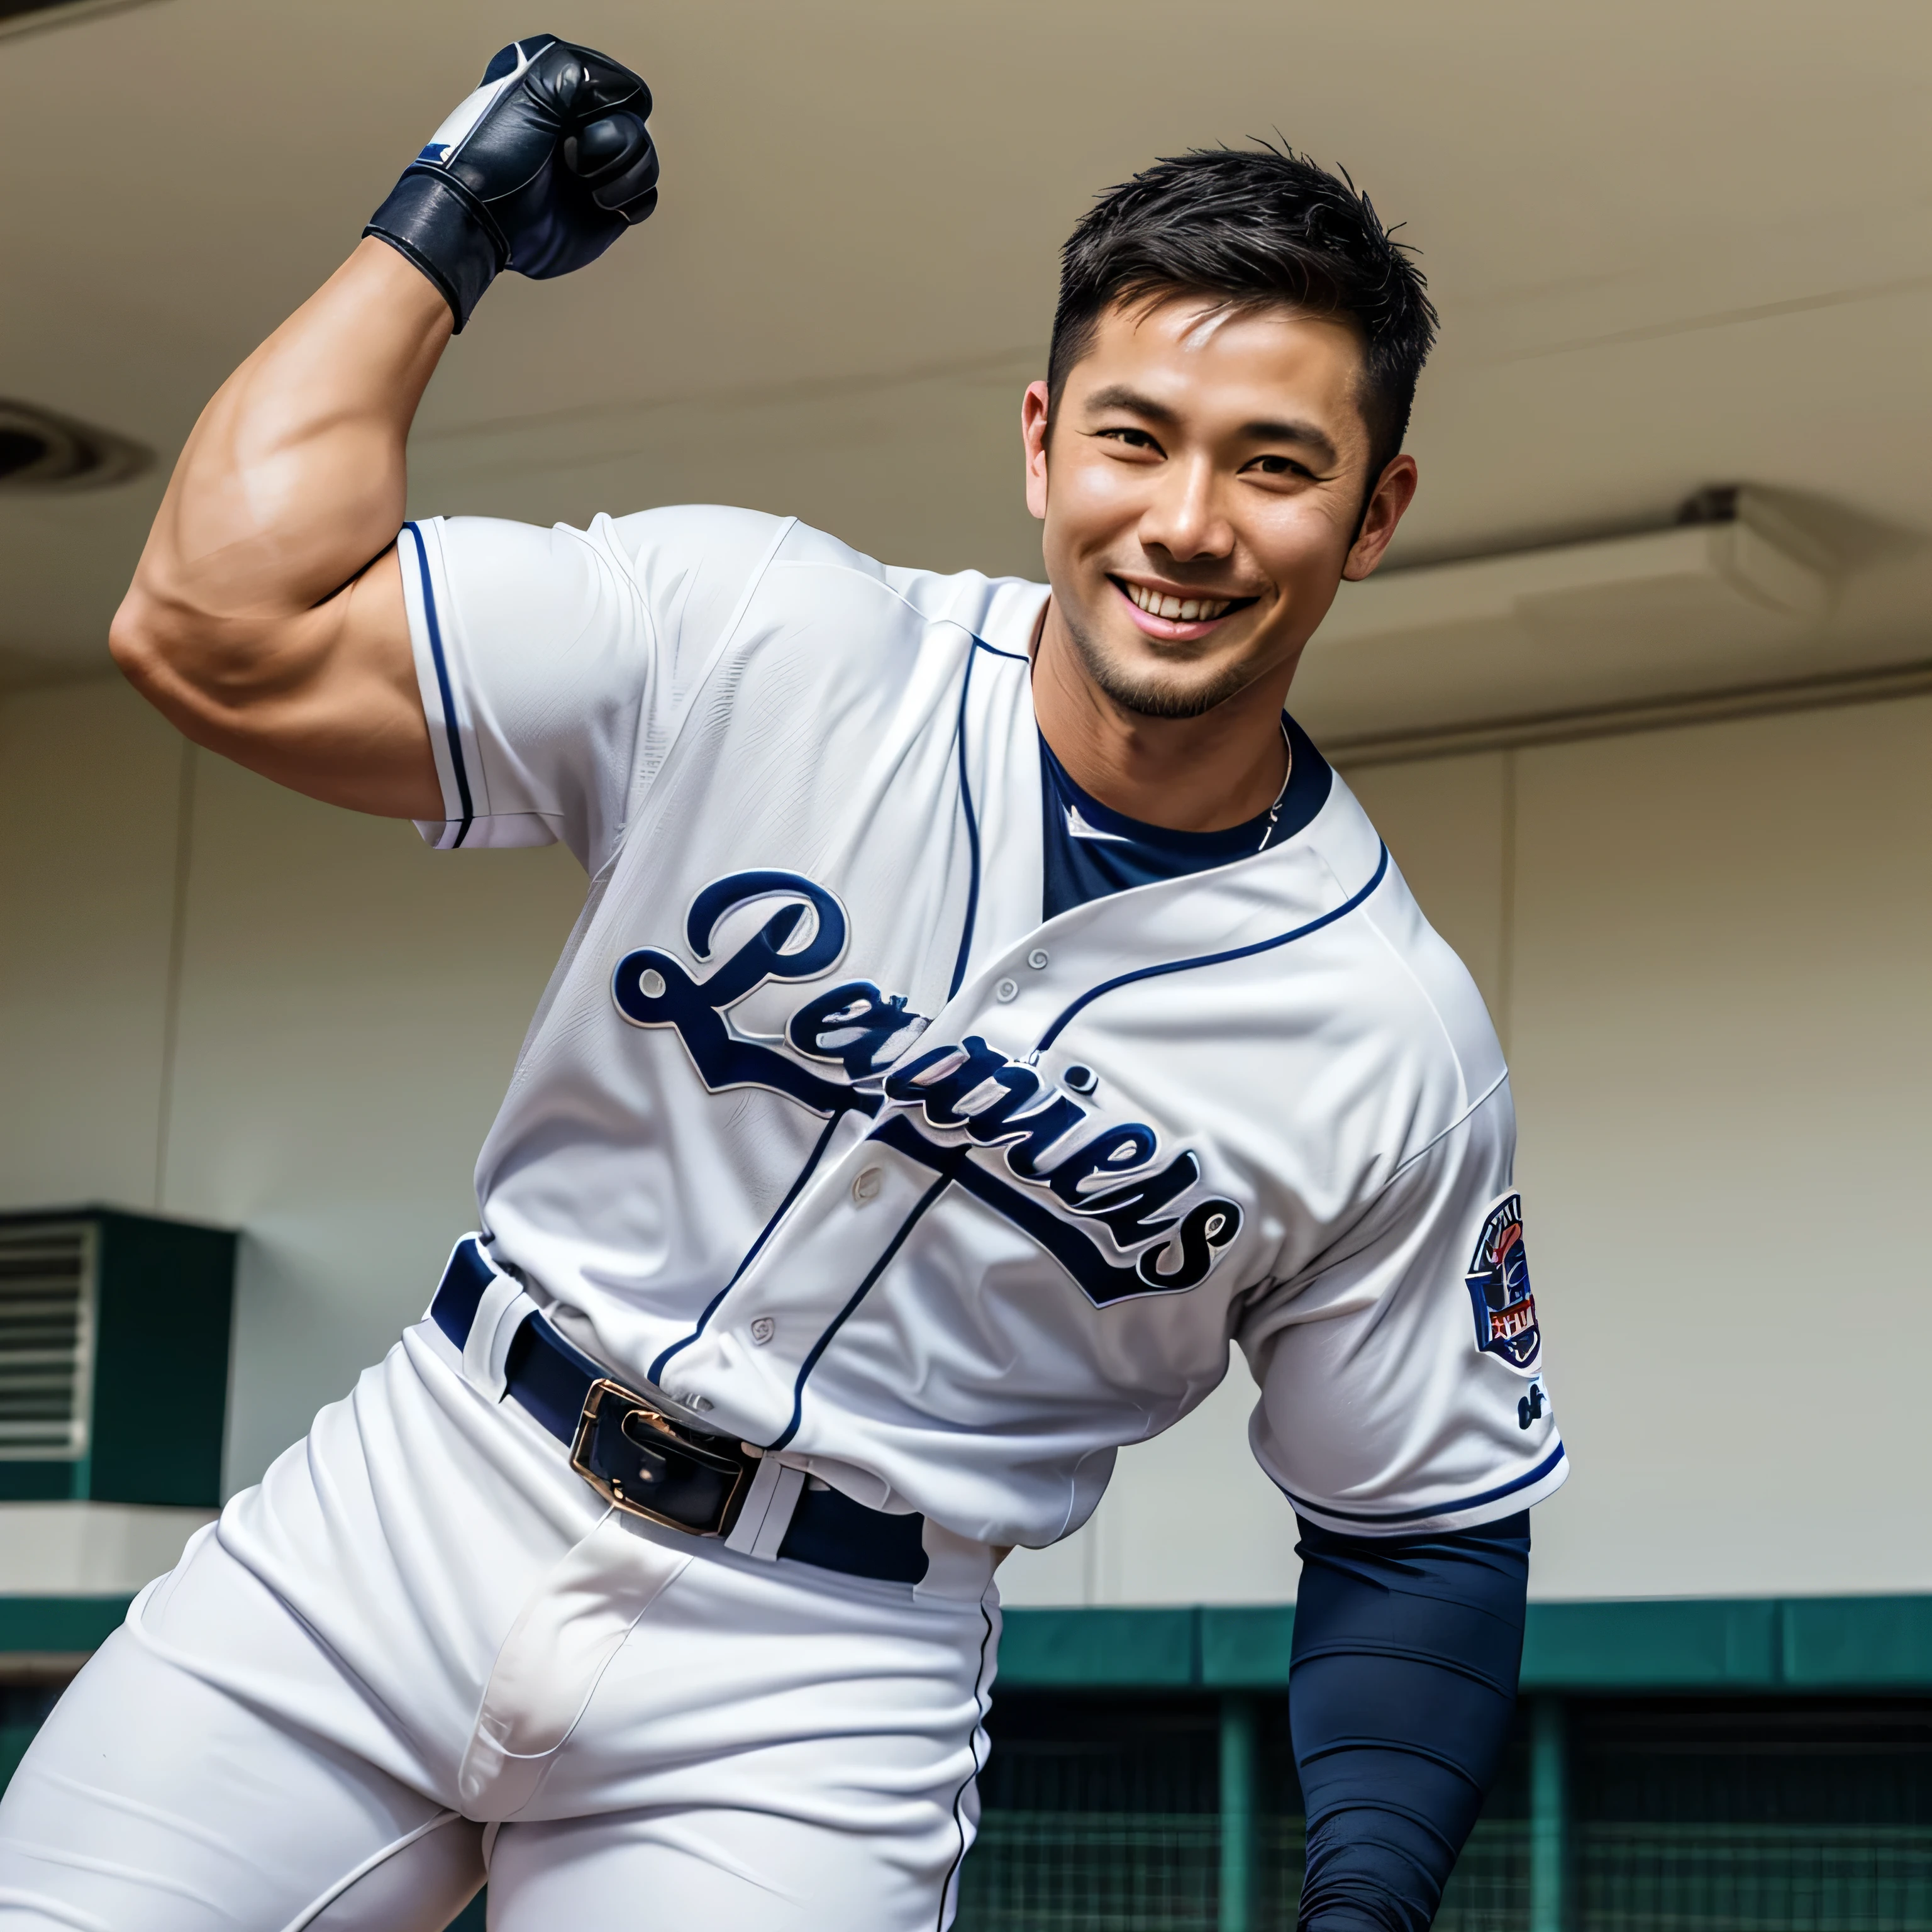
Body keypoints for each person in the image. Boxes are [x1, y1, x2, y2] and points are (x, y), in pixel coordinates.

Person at [0, 35, 1564, 1932]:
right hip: (421, 1499)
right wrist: (444, 228)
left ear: (1373, 515)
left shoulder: (1389, 1035)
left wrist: (1370, 1906)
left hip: (822, 1682)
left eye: (1277, 467)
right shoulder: (772, 637)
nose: (1189, 523)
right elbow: (215, 626)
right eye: (1136, 437)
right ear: (1040, 443)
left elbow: (1419, 1535)